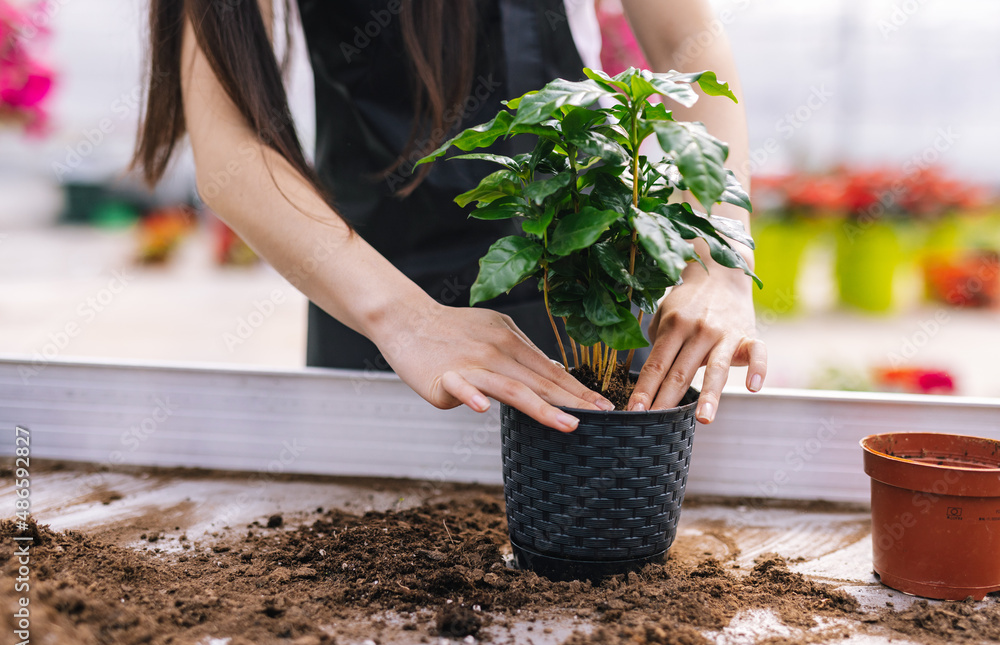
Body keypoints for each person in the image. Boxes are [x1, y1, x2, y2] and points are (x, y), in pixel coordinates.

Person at [133, 0, 766, 433]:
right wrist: (404, 320)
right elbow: (227, 151)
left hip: (583, 283)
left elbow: (687, 44)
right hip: (367, 287)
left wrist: (719, 264)